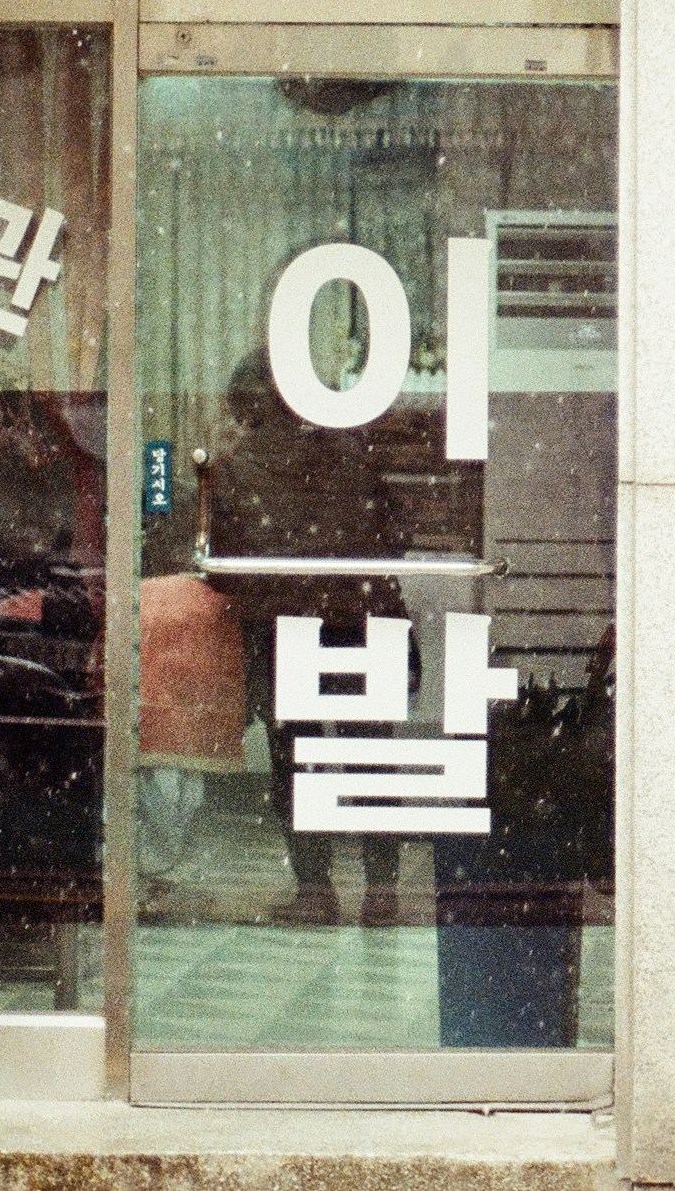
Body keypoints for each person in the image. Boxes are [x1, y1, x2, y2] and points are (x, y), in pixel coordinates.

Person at [198, 347, 406, 926]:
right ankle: (381, 890)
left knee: (297, 758)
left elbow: (220, 567)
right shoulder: (352, 453)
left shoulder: (235, 468)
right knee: (371, 751)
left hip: (285, 625)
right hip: (361, 617)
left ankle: (315, 889)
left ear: (246, 403)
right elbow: (395, 535)